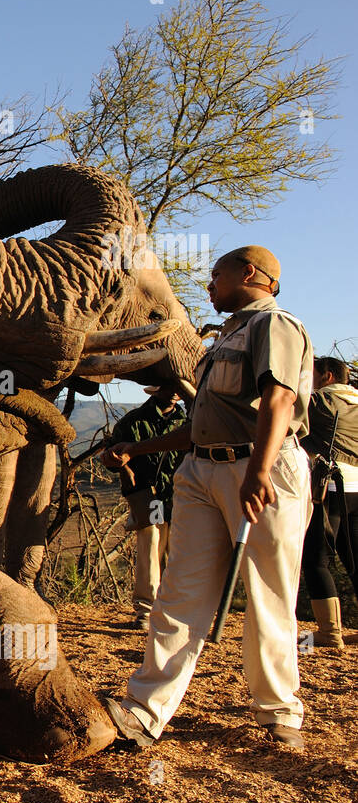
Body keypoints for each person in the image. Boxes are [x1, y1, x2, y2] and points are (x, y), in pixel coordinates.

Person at [102, 245, 313, 750]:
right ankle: (145, 709)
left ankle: (279, 711)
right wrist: (138, 447)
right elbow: (200, 424)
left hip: (259, 467)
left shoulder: (275, 325)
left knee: (267, 591)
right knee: (179, 591)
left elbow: (279, 398)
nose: (210, 284)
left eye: (216, 275)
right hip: (201, 470)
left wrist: (259, 471)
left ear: (251, 274)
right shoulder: (223, 340)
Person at [107, 389, 186, 628]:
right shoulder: (133, 420)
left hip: (181, 493)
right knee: (151, 542)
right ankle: (146, 611)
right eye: (168, 387)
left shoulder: (187, 421)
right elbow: (112, 455)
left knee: (179, 550)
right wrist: (123, 468)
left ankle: (176, 610)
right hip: (149, 493)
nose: (173, 394)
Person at [299, 355, 358, 648]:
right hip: (357, 487)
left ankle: (329, 632)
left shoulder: (319, 402)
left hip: (330, 487)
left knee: (316, 559)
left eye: (314, 372)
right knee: (354, 559)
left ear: (328, 376)